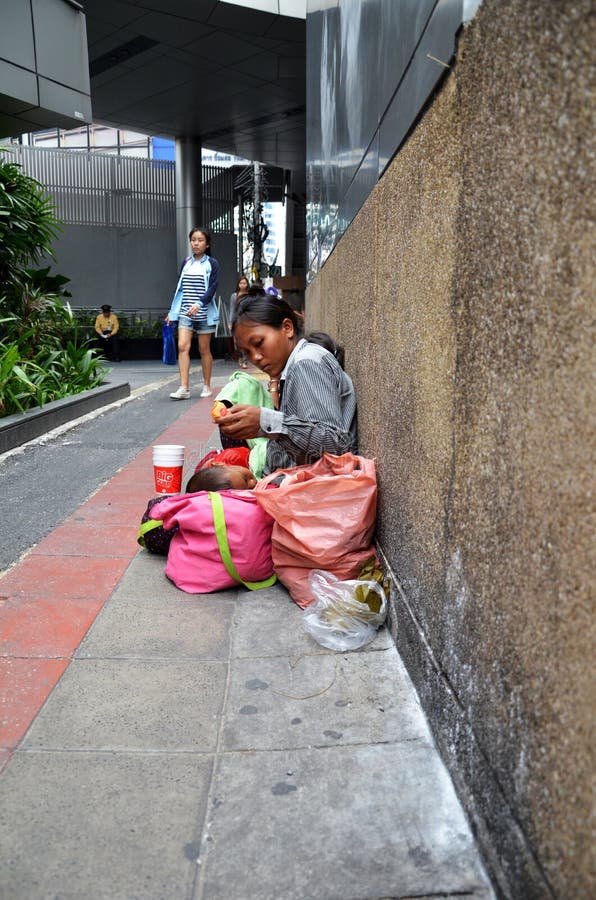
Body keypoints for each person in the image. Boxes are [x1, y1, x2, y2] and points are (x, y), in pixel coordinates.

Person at [217, 295, 357, 474]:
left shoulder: (305, 363)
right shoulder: (293, 366)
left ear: (287, 328)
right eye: (247, 353)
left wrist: (265, 422)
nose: (256, 357)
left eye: (259, 343)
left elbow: (334, 447)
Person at [166, 227, 219, 400]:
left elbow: (212, 288)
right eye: (193, 239)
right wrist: (172, 313)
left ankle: (206, 385)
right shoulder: (186, 263)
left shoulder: (212, 263)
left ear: (207, 243)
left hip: (204, 313)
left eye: (200, 240)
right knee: (182, 346)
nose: (196, 243)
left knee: (204, 350)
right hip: (185, 312)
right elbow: (180, 290)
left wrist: (199, 303)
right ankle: (184, 388)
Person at [229, 275, 249, 368]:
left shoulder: (249, 295)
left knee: (245, 341)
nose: (242, 285)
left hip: (247, 321)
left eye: (244, 283)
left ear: (247, 284)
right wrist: (230, 322)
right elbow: (232, 309)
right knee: (237, 343)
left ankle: (245, 361)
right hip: (237, 321)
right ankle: (240, 356)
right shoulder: (234, 296)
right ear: (238, 284)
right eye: (241, 283)